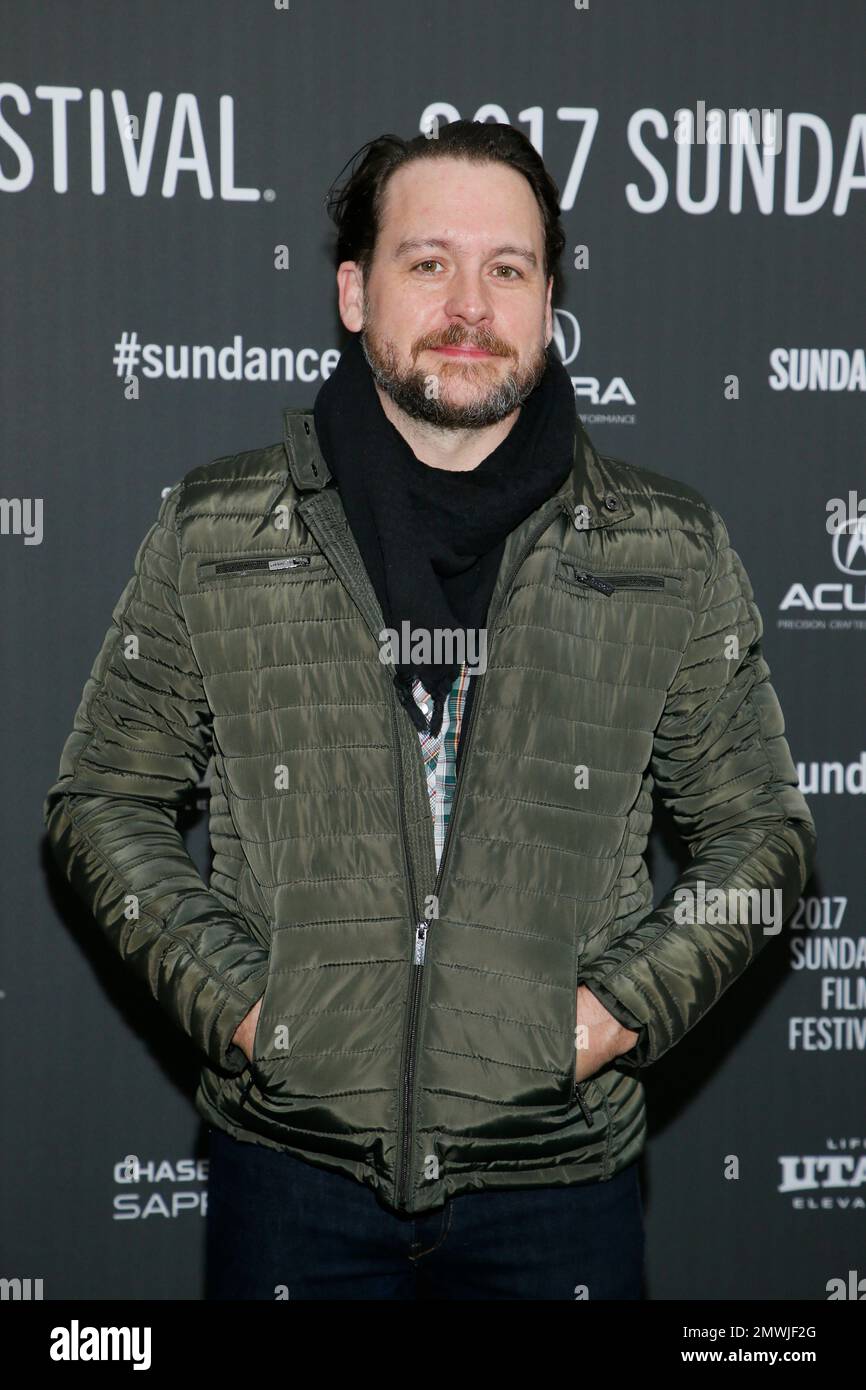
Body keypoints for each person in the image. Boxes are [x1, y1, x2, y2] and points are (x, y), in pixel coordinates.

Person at [43, 120, 817, 1300]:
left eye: (506, 268)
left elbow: (763, 837)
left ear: (549, 295)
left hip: (558, 1182)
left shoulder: (665, 547)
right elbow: (104, 801)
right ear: (354, 292)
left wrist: (607, 1016)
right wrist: (253, 1011)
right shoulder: (217, 530)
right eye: (427, 262)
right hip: (292, 1177)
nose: (469, 303)